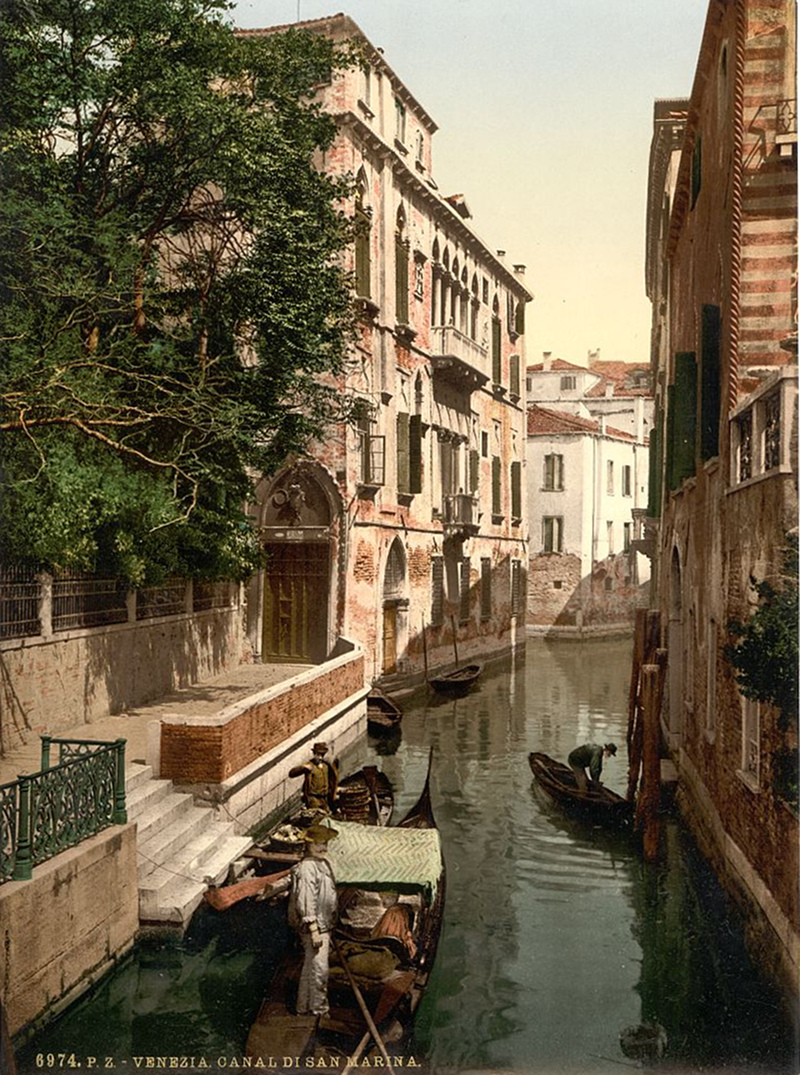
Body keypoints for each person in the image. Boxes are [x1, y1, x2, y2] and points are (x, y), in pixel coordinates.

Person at [287, 823, 339, 1017]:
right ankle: (319, 1010)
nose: (322, 848)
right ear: (308, 845)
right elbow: (307, 900)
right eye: (318, 844)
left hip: (324, 924)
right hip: (315, 928)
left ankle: (303, 1007)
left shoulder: (322, 863)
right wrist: (315, 929)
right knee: (320, 971)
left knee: (310, 966)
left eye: (325, 843)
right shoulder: (308, 867)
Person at [289, 742, 338, 813]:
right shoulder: (309, 765)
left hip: (324, 797)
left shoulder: (326, 765)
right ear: (314, 754)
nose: (320, 757)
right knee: (317, 816)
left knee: (328, 814)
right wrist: (302, 768)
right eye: (318, 755)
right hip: (313, 798)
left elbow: (333, 777)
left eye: (322, 755)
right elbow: (291, 774)